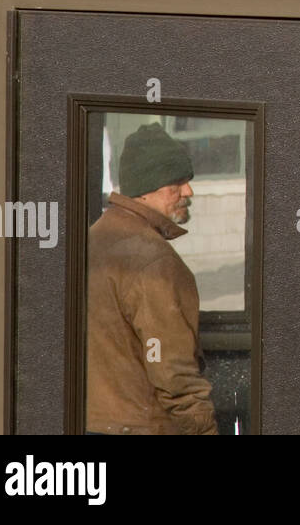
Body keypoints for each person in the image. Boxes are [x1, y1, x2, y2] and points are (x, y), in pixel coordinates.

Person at [86, 121, 217, 435]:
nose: (189, 191)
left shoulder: (93, 240)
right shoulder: (152, 259)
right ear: (149, 186)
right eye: (177, 181)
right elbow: (174, 373)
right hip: (143, 426)